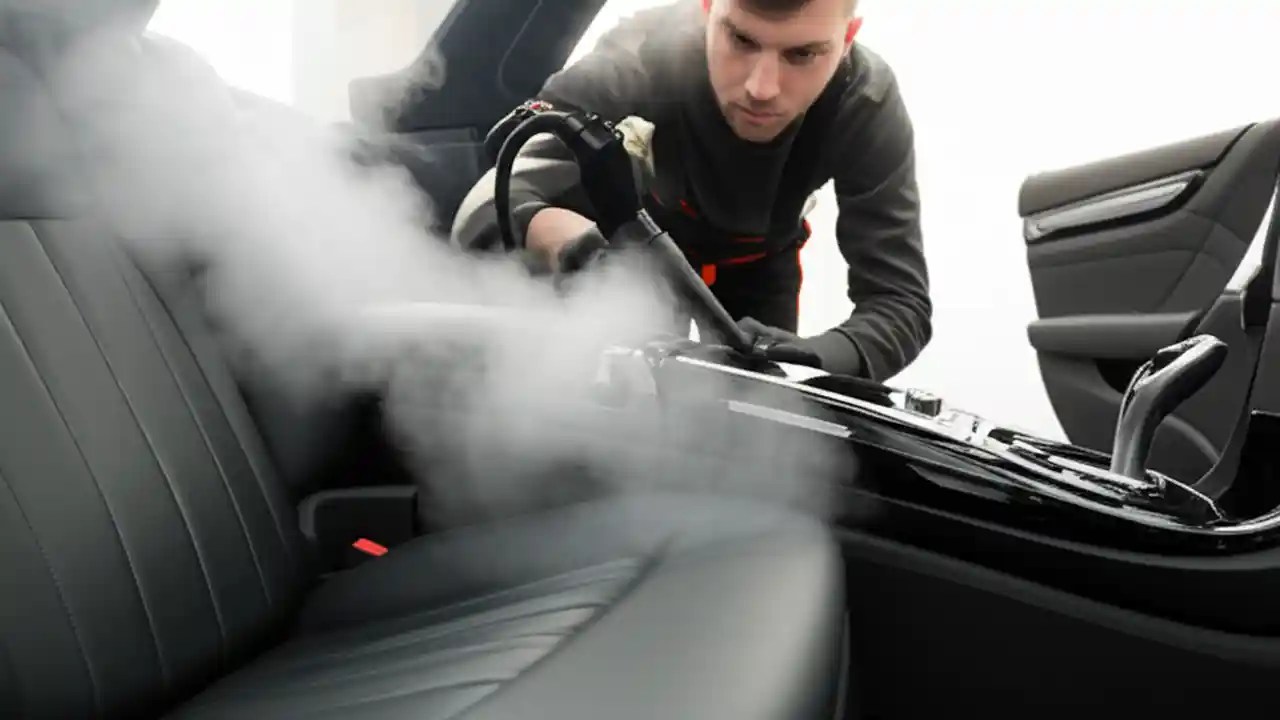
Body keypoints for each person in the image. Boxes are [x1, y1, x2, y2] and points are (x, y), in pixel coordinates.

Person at [451, 0, 932, 382]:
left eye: (802, 54)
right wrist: (571, 243)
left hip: (762, 273)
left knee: (756, 442)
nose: (762, 88)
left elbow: (902, 304)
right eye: (741, 40)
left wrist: (817, 358)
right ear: (706, 9)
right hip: (628, 254)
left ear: (848, 39)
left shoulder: (864, 103)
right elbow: (490, 201)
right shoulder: (642, 52)